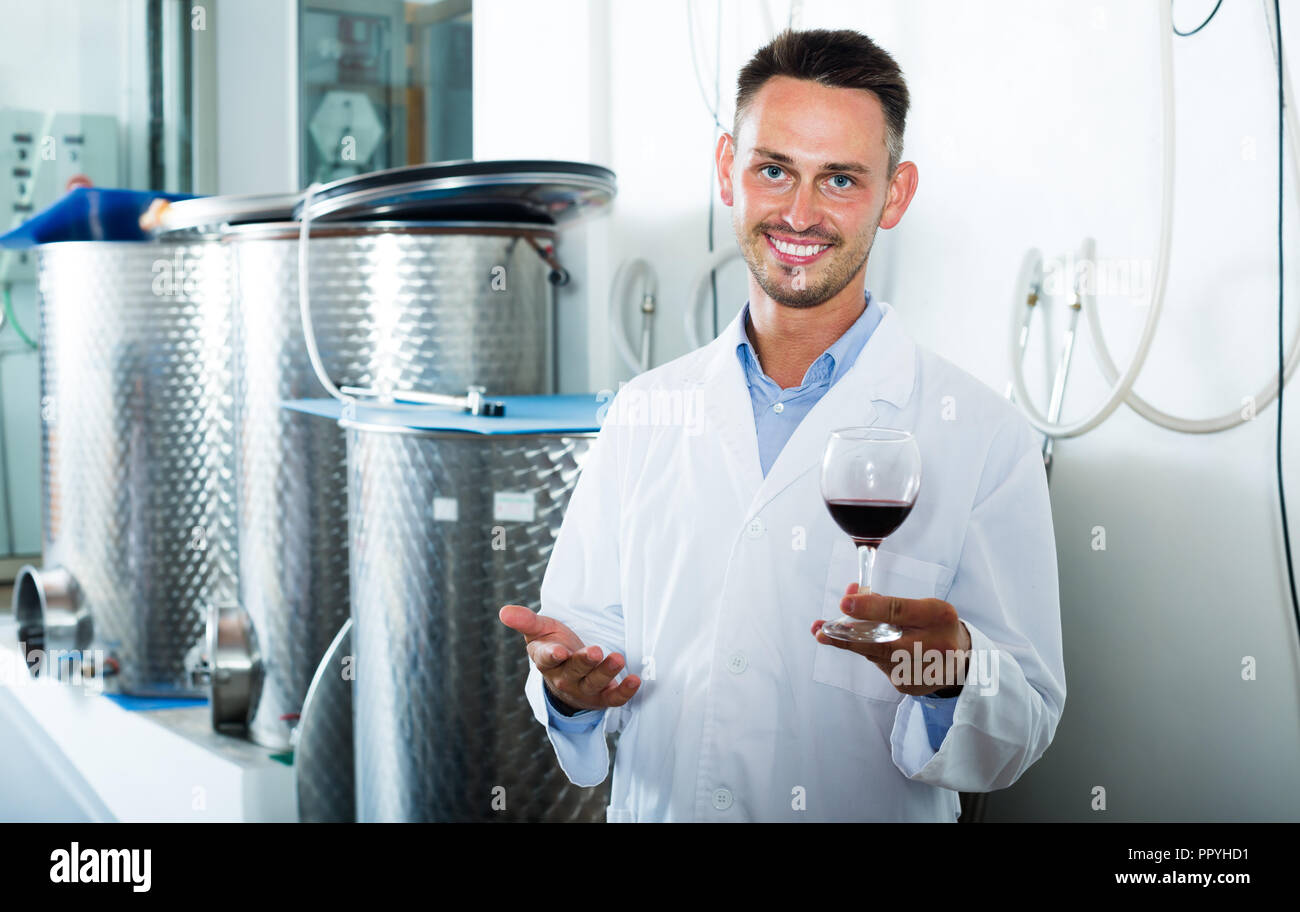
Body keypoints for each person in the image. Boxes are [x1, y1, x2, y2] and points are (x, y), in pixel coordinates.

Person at [499, 27, 1065, 822]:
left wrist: (952, 674)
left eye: (840, 179)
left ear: (894, 195)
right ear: (727, 170)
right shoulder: (644, 411)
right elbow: (586, 633)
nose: (800, 213)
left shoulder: (983, 437)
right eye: (774, 170)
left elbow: (1025, 718)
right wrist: (571, 686)